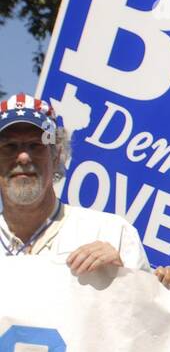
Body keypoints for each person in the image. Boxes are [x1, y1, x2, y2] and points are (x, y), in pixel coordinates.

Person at [0, 93, 149, 273]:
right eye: (9, 147)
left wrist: (122, 278)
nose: (23, 157)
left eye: (36, 145)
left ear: (56, 156)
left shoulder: (112, 233)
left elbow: (152, 300)